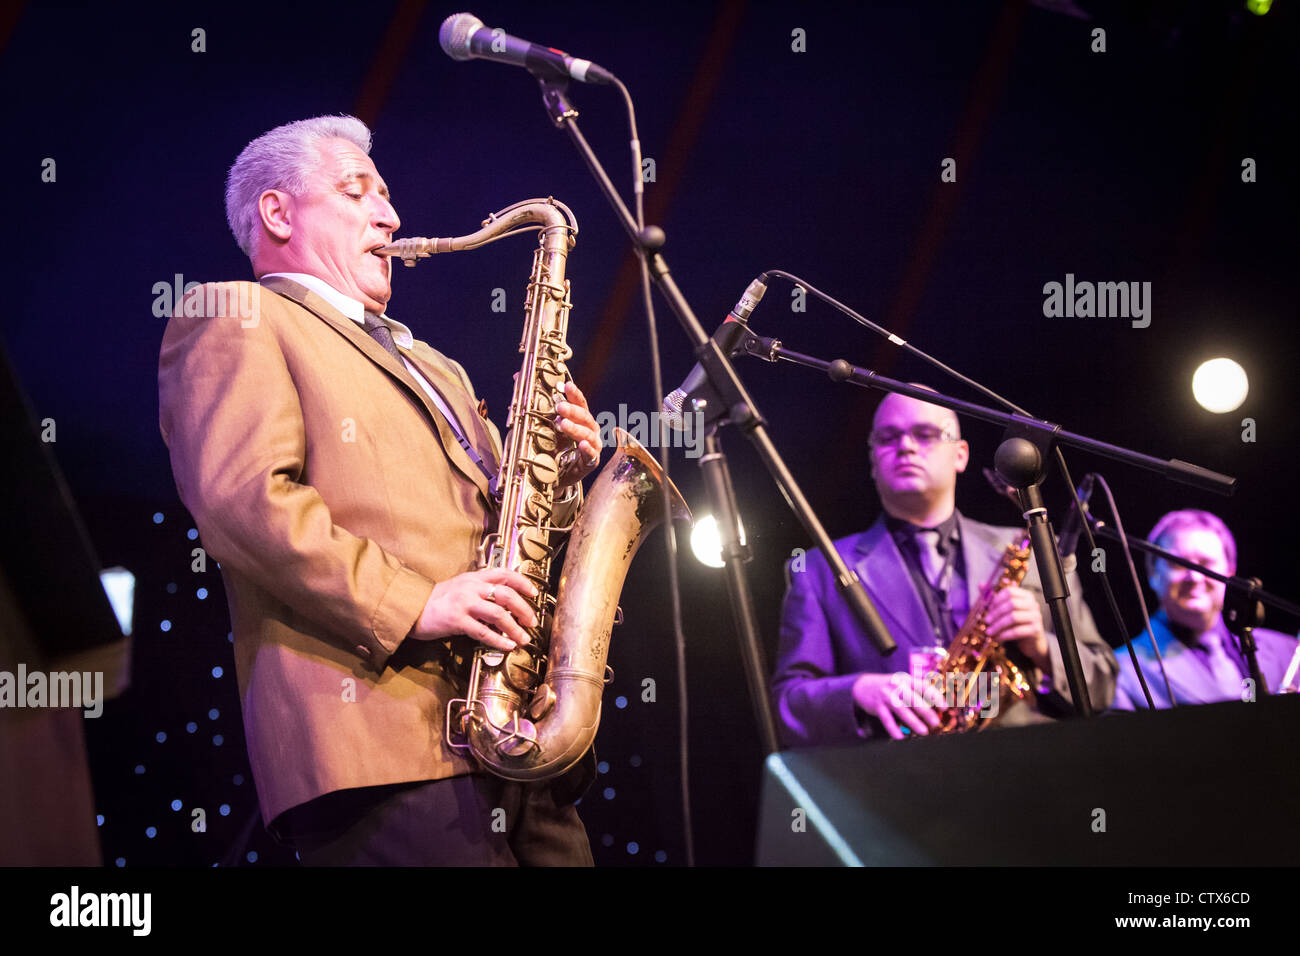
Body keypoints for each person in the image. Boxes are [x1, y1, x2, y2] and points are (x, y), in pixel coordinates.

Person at [158, 115, 603, 865]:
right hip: (382, 749)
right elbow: (244, 502)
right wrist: (416, 602)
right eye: (357, 190)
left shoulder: (440, 365)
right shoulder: (235, 315)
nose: (391, 216)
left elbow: (507, 523)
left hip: (516, 736)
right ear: (277, 212)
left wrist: (557, 474)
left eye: (388, 195)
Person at [772, 390, 1117, 745]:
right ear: (873, 460)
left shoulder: (1034, 552)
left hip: (1022, 772)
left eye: (925, 434)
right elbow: (787, 707)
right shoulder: (818, 569)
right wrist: (858, 692)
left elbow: (1104, 686)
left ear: (961, 454)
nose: (905, 447)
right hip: (893, 783)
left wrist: (1041, 648)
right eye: (887, 438)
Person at [1112, 509, 1299, 709]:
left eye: (1206, 564)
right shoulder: (1121, 672)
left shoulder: (1288, 652)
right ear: (1153, 573)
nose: (1194, 577)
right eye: (1178, 563)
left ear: (1230, 573)